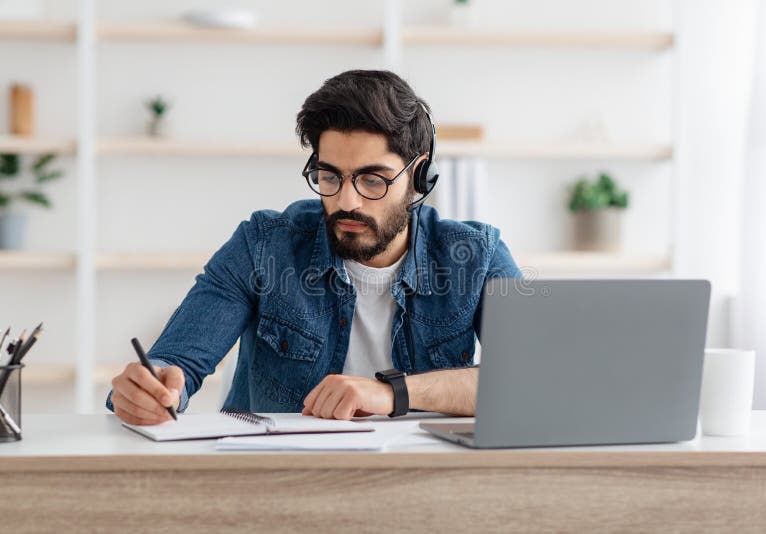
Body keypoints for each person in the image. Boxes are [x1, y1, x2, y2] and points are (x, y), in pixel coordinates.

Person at [107, 70, 521, 425]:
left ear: (419, 176)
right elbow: (176, 361)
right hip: (282, 484)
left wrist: (390, 394)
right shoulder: (264, 245)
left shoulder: (476, 255)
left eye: (373, 180)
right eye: (329, 176)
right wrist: (151, 387)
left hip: (422, 484)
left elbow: (530, 379)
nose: (347, 201)